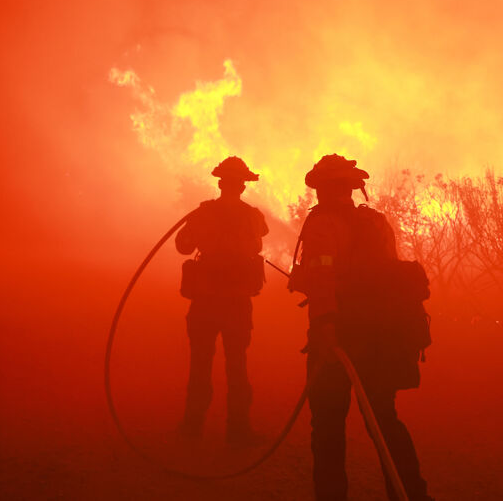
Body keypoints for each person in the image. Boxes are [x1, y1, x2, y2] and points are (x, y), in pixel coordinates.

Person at [290, 154, 432, 501]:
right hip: (380, 337)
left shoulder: (322, 224)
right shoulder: (376, 222)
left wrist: (325, 324)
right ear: (352, 189)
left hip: (337, 335)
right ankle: (411, 494)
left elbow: (323, 273)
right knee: (384, 418)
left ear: (323, 189)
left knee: (327, 423)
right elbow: (386, 272)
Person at [175, 156, 268, 445]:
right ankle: (238, 430)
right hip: (237, 303)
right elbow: (259, 242)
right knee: (237, 365)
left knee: (200, 364)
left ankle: (192, 427)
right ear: (242, 187)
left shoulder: (202, 213)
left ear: (219, 184)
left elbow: (183, 246)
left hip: (205, 301)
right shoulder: (253, 216)